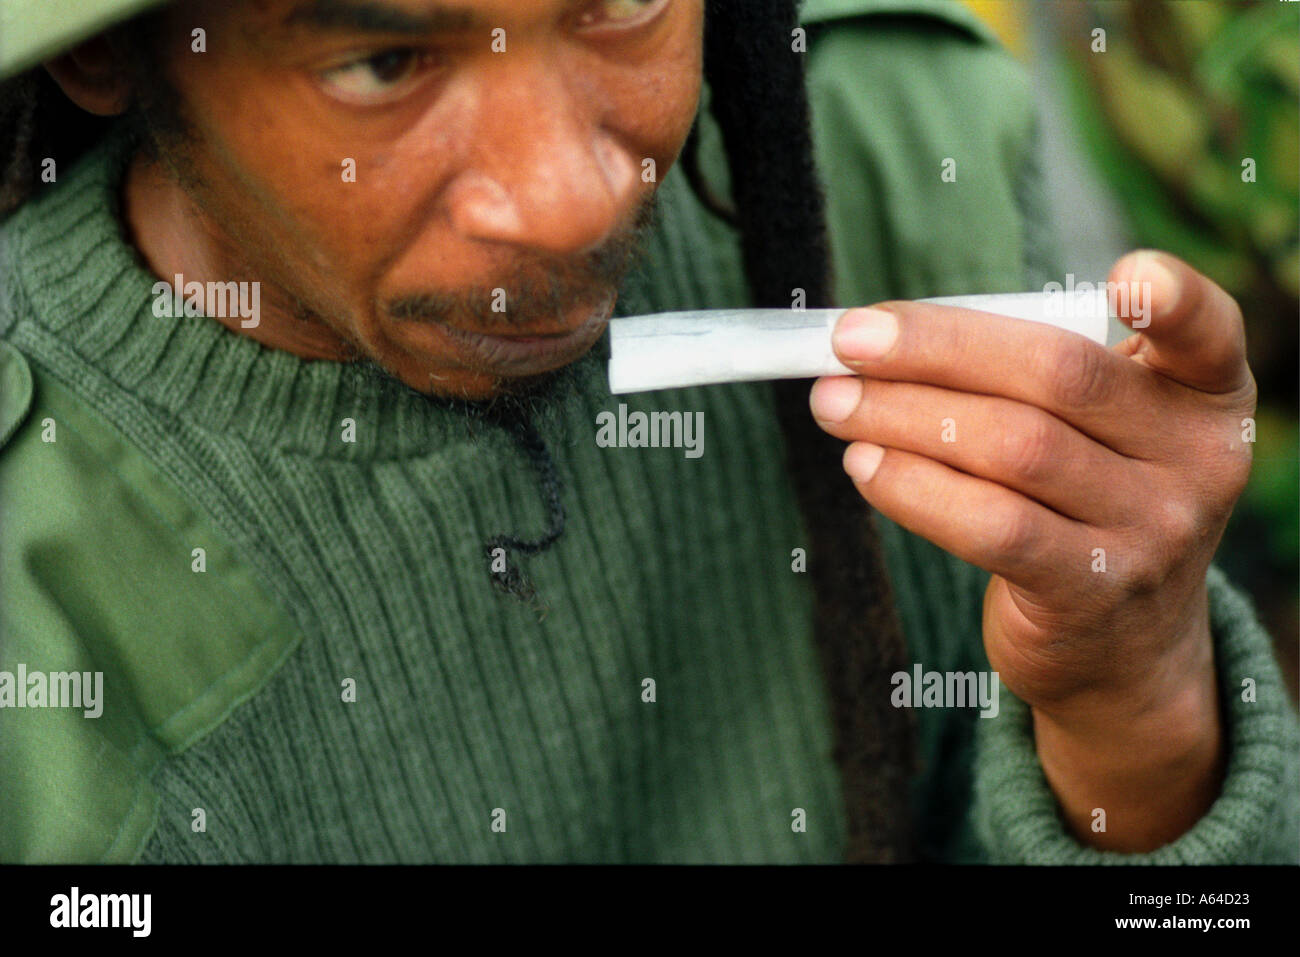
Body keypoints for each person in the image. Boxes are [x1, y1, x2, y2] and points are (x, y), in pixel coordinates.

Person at [0, 0, 1295, 864]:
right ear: (109, 49)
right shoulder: (33, 606)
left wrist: (1137, 695)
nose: (569, 199)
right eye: (385, 64)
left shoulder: (900, 145)